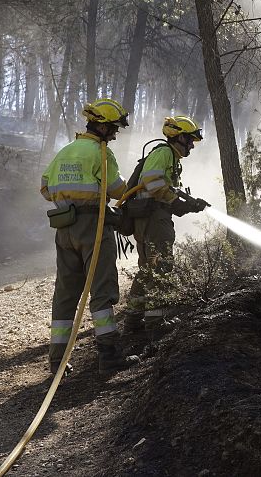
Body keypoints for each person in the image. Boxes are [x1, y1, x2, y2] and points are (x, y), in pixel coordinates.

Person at [40, 98, 134, 374]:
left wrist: (68, 197)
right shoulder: (101, 152)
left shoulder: (66, 151)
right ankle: (109, 356)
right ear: (102, 128)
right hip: (93, 227)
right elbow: (118, 190)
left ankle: (57, 361)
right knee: (102, 291)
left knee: (66, 294)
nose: (116, 133)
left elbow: (45, 187)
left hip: (64, 229)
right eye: (114, 128)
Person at [124, 115, 207, 332]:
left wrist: (189, 202)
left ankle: (133, 319)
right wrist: (175, 202)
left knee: (148, 268)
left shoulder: (169, 157)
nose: (191, 145)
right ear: (178, 137)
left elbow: (165, 187)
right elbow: (152, 183)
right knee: (161, 266)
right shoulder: (164, 153)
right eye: (189, 140)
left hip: (150, 218)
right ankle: (155, 322)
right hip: (154, 219)